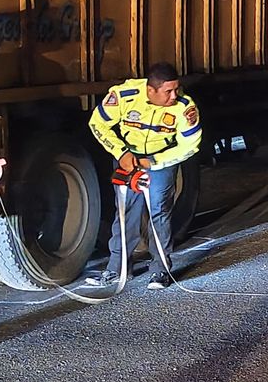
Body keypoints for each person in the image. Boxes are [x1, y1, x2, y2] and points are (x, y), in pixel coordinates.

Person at [86, 62, 201, 289]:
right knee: (125, 212)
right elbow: (97, 123)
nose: (174, 95)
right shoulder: (125, 95)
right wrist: (121, 153)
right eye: (168, 91)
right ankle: (117, 269)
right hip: (129, 158)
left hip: (160, 162)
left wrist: (154, 161)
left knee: (159, 212)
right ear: (151, 90)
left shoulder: (184, 107)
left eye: (176, 89)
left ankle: (161, 270)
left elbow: (190, 145)